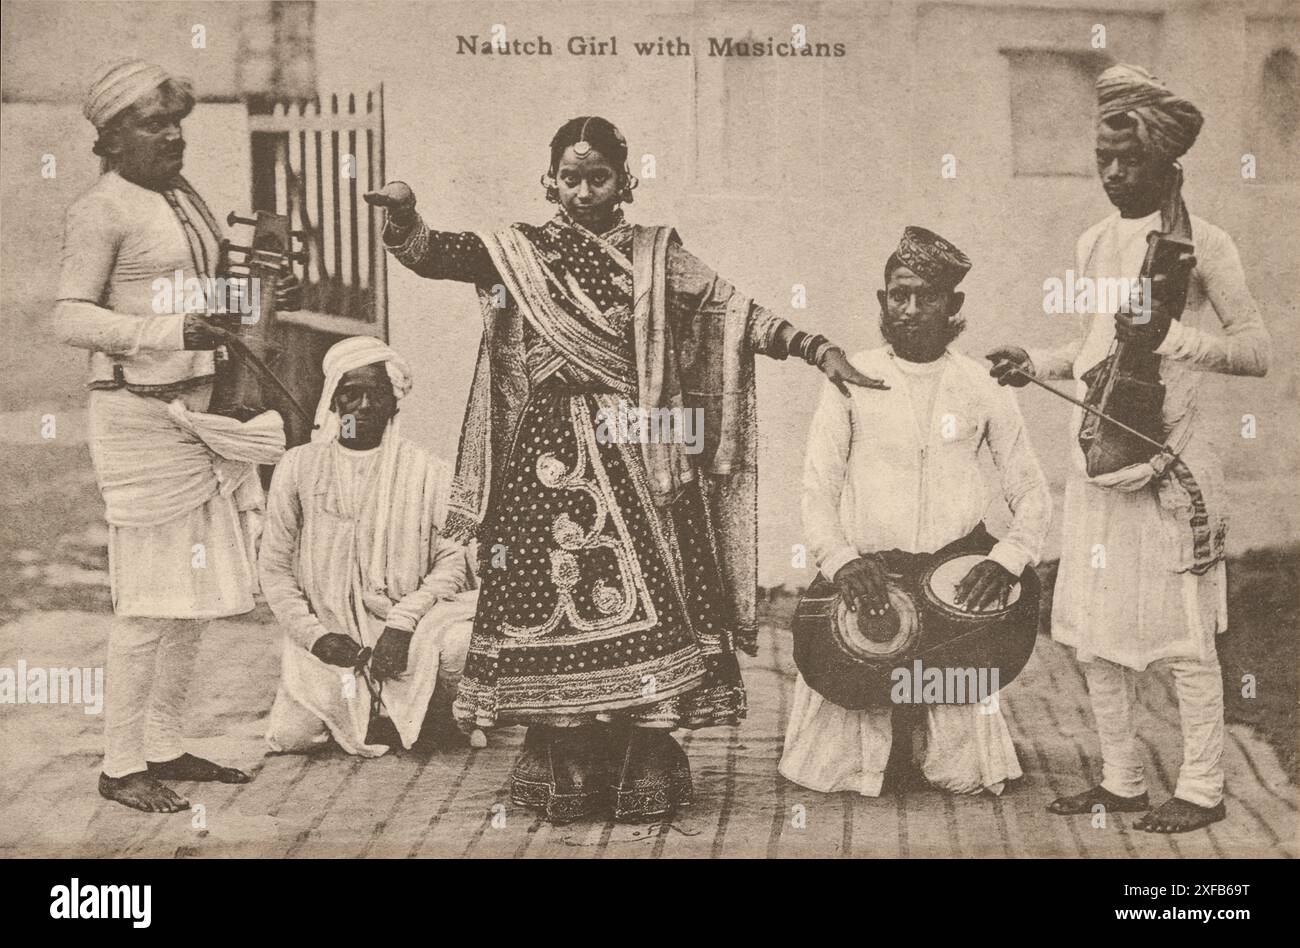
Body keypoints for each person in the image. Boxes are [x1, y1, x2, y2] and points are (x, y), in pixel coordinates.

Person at [365, 115, 886, 822]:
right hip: (544, 460)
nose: (583, 191)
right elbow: (437, 253)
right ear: (548, 181)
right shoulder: (518, 250)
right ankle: (564, 743)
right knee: (550, 596)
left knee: (658, 586)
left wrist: (817, 348)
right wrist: (403, 217)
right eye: (570, 177)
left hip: (641, 450)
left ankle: (650, 744)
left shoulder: (655, 253)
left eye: (599, 177)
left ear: (626, 181)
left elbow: (732, 308)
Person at [989, 65, 1270, 833]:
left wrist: (1173, 336)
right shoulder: (1093, 241)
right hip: (1100, 459)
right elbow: (1093, 349)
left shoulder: (1204, 245)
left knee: (1183, 641)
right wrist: (1035, 364)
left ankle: (1204, 788)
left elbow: (1258, 351)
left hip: (1171, 465)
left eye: (1130, 162)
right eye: (1104, 161)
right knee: (1093, 637)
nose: (1113, 175)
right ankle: (1121, 781)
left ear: (1168, 165)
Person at [53, 59, 287, 812]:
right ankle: (121, 765)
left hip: (199, 415)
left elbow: (206, 296)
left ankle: (165, 742)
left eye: (176, 122)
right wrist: (167, 329)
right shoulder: (103, 209)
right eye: (155, 124)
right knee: (149, 603)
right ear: (113, 136)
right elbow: (69, 317)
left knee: (190, 599)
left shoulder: (183, 197)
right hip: (137, 417)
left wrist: (257, 285)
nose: (173, 136)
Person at [782, 227, 1052, 796]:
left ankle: (932, 732)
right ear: (882, 301)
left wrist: (1007, 559)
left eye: (925, 296)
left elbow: (1031, 489)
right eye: (896, 295)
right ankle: (881, 738)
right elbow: (816, 488)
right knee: (836, 771)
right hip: (869, 579)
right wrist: (839, 560)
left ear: (953, 305)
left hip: (953, 582)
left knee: (965, 773)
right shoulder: (850, 377)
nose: (908, 310)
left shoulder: (983, 385)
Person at [259, 337, 484, 755]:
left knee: (459, 644)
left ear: (394, 403)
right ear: (333, 403)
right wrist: (316, 637)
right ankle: (376, 712)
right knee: (293, 737)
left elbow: (452, 561)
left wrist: (402, 624)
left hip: (409, 631)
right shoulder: (299, 467)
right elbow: (273, 568)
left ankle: (435, 712)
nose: (363, 405)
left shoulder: (428, 472)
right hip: (332, 637)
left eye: (376, 394)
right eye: (351, 394)